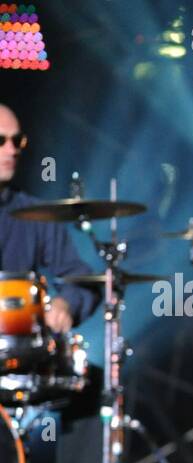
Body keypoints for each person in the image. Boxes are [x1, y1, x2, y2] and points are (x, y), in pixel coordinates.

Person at [0, 103, 101, 331]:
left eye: (17, 141)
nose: (12, 150)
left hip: (15, 353)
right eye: (1, 141)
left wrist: (65, 304)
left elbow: (80, 278)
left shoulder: (34, 214)